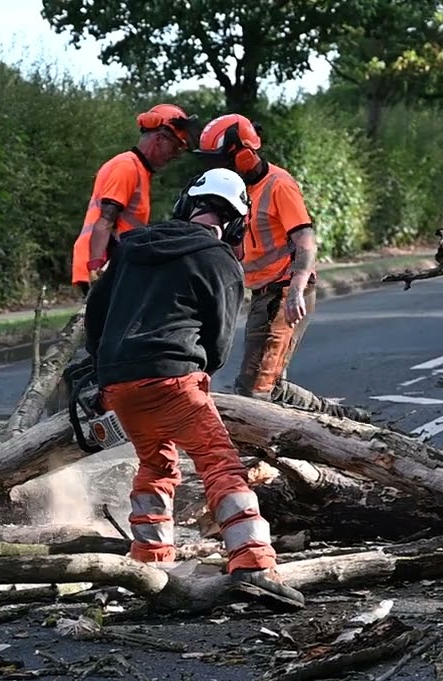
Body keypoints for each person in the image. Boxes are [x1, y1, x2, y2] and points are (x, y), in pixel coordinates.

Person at [83, 168, 305, 613]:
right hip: (172, 377)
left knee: (156, 464)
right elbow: (219, 343)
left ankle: (149, 562)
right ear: (238, 222)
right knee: (219, 463)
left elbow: (96, 314)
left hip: (116, 382)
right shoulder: (219, 258)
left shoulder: (132, 246)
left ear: (189, 204)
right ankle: (253, 563)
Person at [192, 113, 370, 422]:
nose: (214, 167)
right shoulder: (237, 191)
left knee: (253, 391)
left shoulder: (279, 185)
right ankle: (340, 419)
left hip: (284, 291)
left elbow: (305, 240)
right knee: (269, 385)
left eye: (219, 159)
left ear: (244, 153)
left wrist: (296, 291)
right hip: (263, 293)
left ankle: (310, 432)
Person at [70, 103, 198, 297]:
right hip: (102, 264)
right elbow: (105, 221)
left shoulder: (139, 170)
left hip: (114, 264)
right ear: (159, 139)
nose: (174, 156)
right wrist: (96, 269)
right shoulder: (127, 167)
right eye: (175, 147)